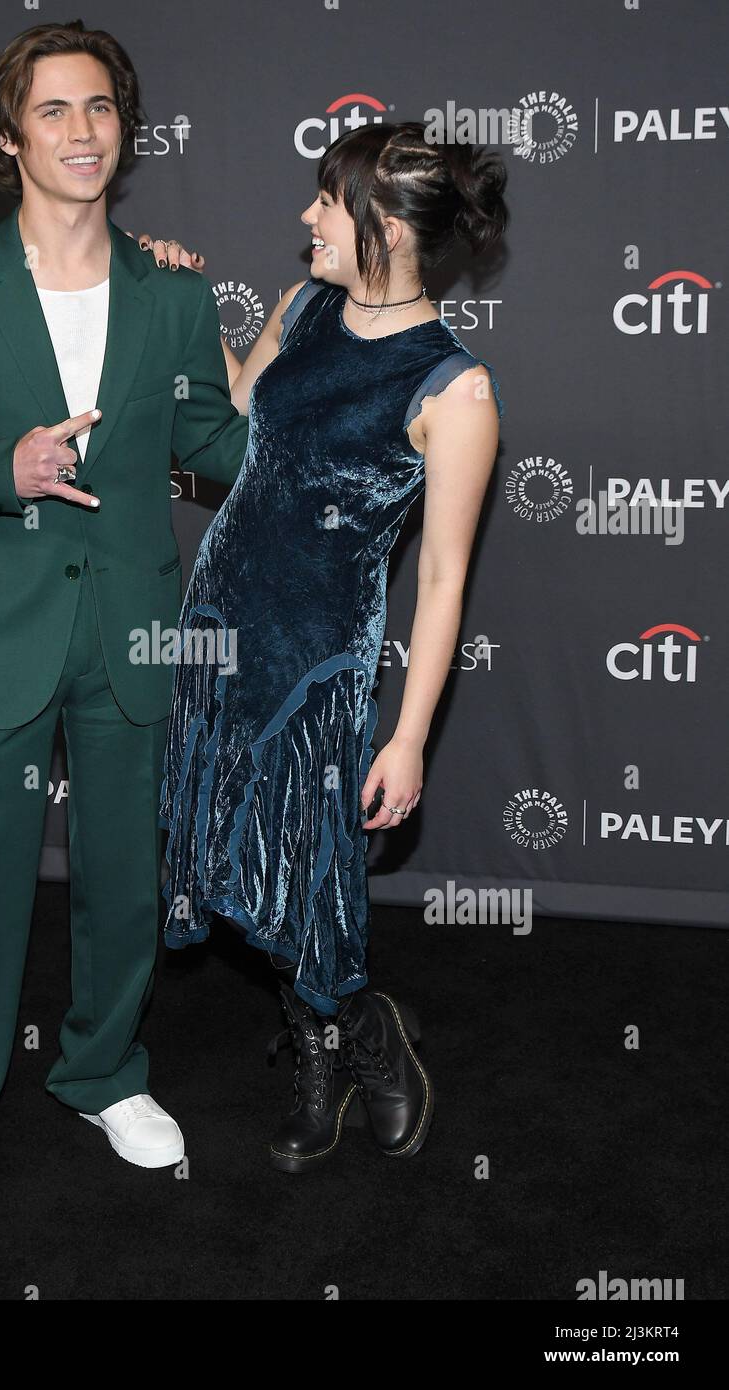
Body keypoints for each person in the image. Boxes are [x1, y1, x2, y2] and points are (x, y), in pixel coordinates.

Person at [0, 19, 249, 1251]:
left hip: (134, 627)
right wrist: (2, 465)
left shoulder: (176, 291)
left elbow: (213, 450)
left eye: (99, 110)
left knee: (124, 878)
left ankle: (104, 1073)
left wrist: (280, 382)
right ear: (5, 139)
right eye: (53, 112)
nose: (82, 131)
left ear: (123, 132)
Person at [154, 122, 507, 1172]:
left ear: (386, 226)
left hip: (318, 660)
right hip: (218, 624)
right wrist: (184, 297)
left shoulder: (454, 390)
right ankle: (333, 1031)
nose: (306, 217)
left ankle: (351, 1035)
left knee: (305, 873)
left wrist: (406, 740)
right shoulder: (302, 306)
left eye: (326, 200)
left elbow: (442, 579)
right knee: (228, 855)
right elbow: (235, 404)